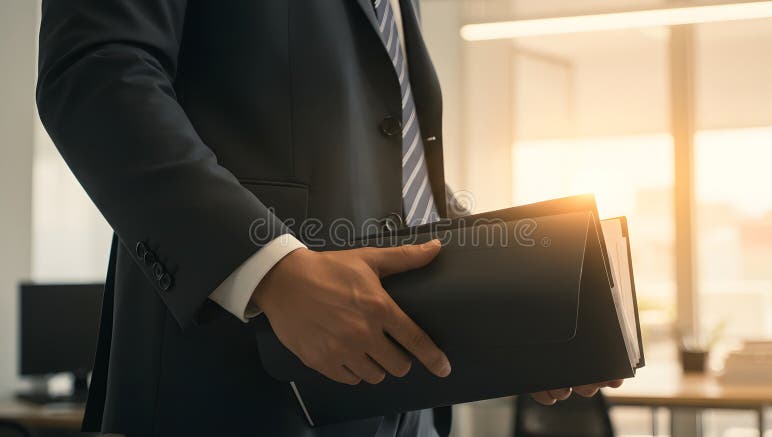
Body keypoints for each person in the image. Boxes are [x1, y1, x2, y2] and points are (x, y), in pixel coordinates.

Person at [36, 0, 621, 436]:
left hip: (408, 405)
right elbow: (96, 73)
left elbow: (391, 174)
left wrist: (511, 305)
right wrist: (268, 269)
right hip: (233, 397)